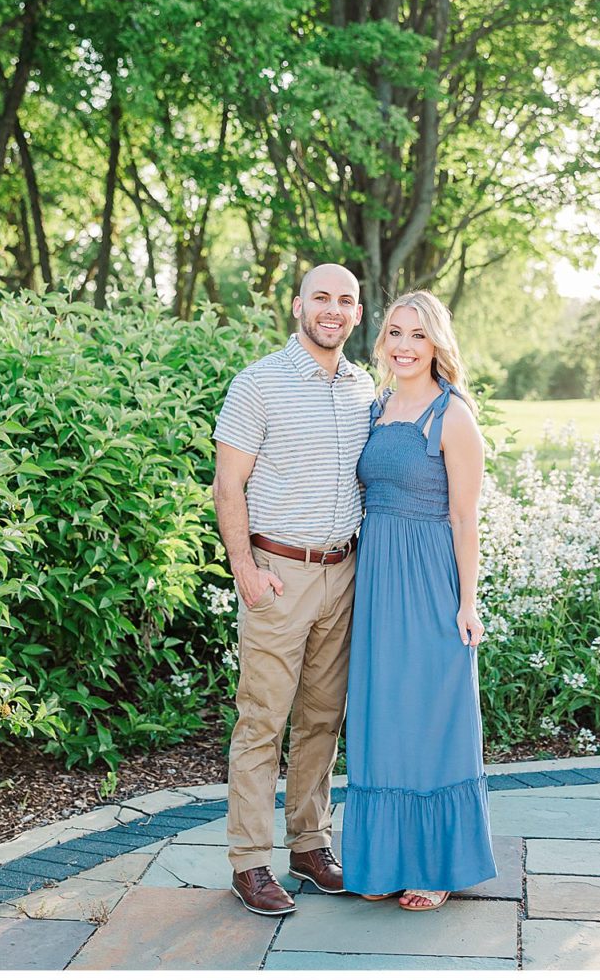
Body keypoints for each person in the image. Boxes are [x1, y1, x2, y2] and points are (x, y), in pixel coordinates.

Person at [211, 263, 376, 916]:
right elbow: (228, 487)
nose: (332, 310)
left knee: (320, 720)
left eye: (346, 301)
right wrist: (245, 571)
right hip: (279, 575)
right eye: (322, 298)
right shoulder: (258, 384)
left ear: (357, 314)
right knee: (262, 721)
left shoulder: (365, 387)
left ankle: (310, 844)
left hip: (345, 574)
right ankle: (249, 861)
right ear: (298, 305)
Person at [341, 289, 496, 911]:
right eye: (395, 334)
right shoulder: (377, 405)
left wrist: (468, 602)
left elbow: (465, 518)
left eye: (418, 336)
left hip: (430, 580)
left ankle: (435, 866)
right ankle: (383, 864)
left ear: (437, 344)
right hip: (376, 580)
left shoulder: (452, 414)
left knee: (432, 715)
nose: (404, 346)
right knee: (384, 717)